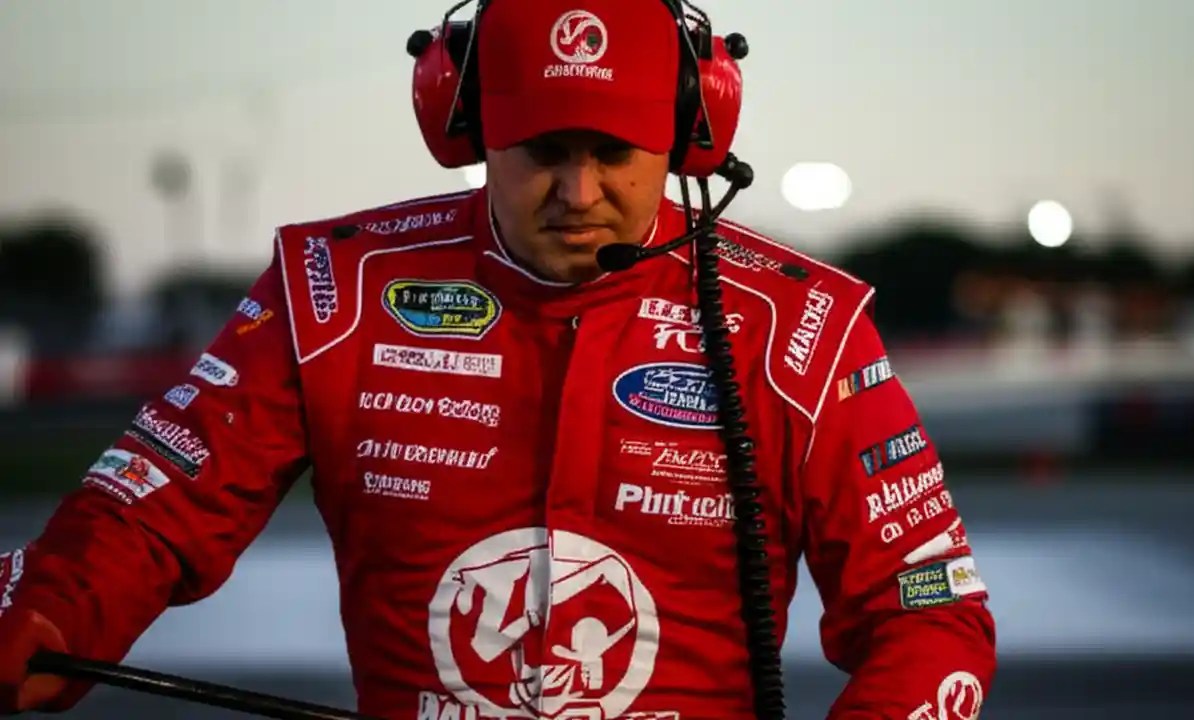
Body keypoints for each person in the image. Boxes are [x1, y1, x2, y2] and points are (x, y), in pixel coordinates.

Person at [0, 1, 997, 718]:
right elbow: (152, 509)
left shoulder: (803, 327)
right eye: (542, 151)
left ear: (691, 131)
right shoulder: (331, 290)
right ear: (468, 127)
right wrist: (47, 607)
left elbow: (930, 614)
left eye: (613, 152)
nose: (577, 192)